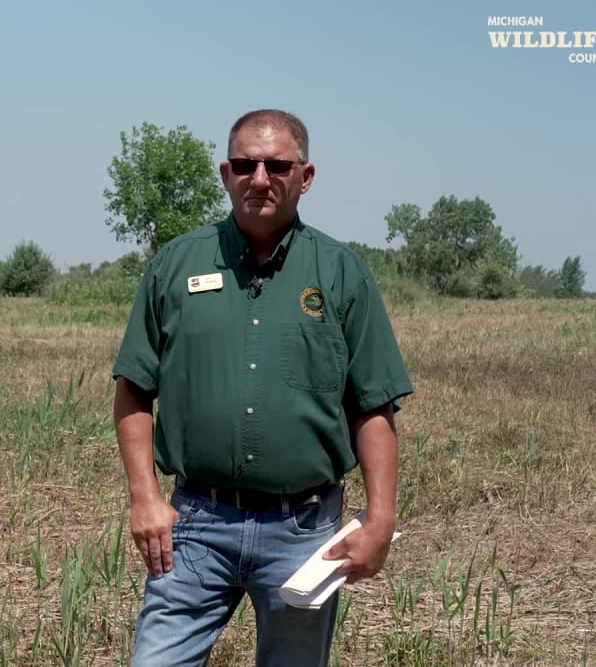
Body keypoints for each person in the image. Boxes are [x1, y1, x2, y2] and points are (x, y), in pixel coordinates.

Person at [111, 109, 413, 666]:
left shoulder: (342, 273)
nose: (259, 178)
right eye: (245, 164)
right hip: (195, 526)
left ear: (306, 175)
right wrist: (144, 496)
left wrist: (381, 519)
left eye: (277, 165)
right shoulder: (176, 265)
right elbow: (132, 388)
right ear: (225, 173)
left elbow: (373, 406)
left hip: (303, 530)